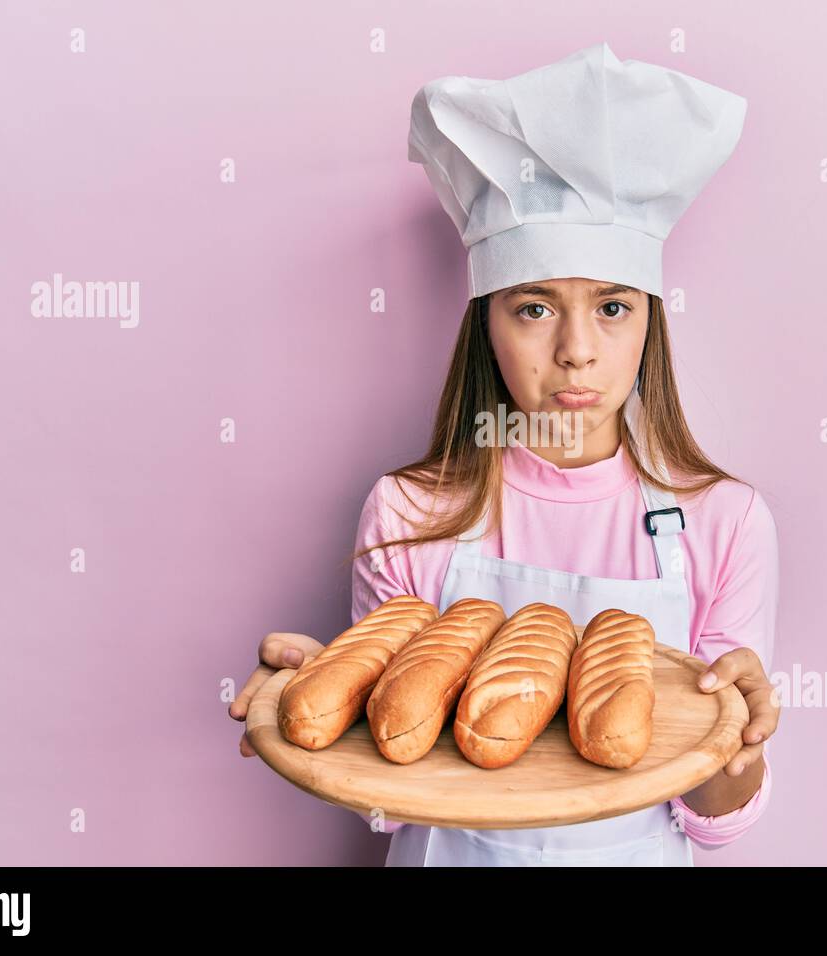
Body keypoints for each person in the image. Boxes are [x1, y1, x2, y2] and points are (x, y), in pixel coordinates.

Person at [230, 41, 781, 866]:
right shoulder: (410, 511)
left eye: (612, 308)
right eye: (532, 308)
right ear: (485, 323)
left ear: (649, 324)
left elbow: (714, 817)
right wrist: (338, 718)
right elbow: (387, 806)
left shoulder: (722, 520)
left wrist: (736, 747)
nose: (576, 352)